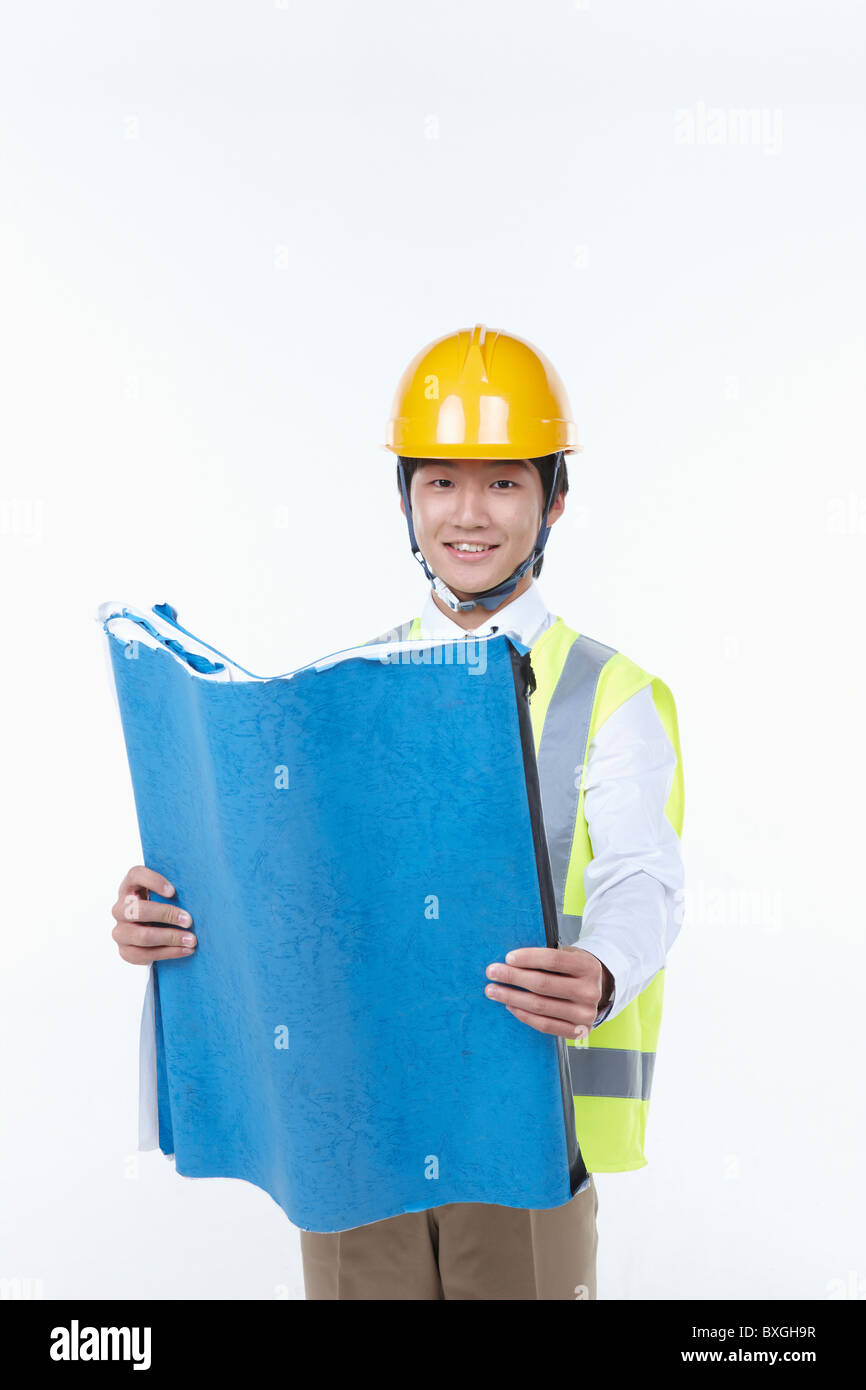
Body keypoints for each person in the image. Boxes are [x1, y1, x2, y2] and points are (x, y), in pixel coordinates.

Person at [109, 323, 685, 1300]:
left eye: (502, 481)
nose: (468, 513)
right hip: (353, 1133)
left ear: (553, 499)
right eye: (438, 482)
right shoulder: (337, 687)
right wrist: (170, 912)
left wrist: (599, 969)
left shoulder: (608, 690)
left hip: (522, 1136)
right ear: (406, 498)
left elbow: (643, 878)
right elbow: (284, 888)